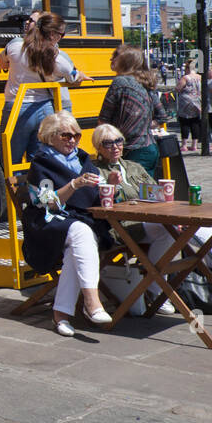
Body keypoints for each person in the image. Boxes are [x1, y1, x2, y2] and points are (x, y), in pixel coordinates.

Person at [22, 111, 112, 337]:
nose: (72, 140)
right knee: (82, 232)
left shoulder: (82, 159)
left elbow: (96, 190)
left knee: (79, 241)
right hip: (48, 223)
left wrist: (109, 183)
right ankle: (92, 302)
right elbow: (45, 203)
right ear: (50, 136)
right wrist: (74, 184)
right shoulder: (41, 163)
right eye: (65, 135)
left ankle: (60, 315)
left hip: (79, 219)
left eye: (77, 135)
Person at [90, 124, 177, 314]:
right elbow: (98, 205)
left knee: (204, 231)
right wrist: (111, 186)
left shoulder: (134, 166)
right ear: (98, 147)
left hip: (148, 221)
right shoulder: (96, 171)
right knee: (169, 231)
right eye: (107, 143)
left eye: (118, 141)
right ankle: (157, 291)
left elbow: (157, 193)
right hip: (121, 228)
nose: (114, 146)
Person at [0, 12, 92, 164]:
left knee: (10, 160)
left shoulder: (14, 45)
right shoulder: (58, 59)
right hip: (45, 110)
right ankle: (37, 187)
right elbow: (73, 77)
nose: (62, 37)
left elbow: (1, 61)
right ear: (53, 35)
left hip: (17, 108)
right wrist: (81, 75)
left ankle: (13, 188)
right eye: (62, 34)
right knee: (40, 161)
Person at [98, 44, 167, 177]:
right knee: (146, 194)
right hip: (148, 148)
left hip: (128, 150)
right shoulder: (146, 83)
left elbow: (103, 121)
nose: (111, 59)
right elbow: (162, 116)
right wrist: (142, 125)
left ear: (126, 60)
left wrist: (103, 146)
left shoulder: (120, 82)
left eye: (115, 56)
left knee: (127, 193)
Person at [174, 61, 202, 152]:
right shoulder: (200, 77)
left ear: (187, 68)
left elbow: (178, 89)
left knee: (185, 122)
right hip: (197, 101)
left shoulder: (185, 78)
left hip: (186, 102)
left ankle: (184, 145)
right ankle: (194, 145)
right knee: (195, 122)